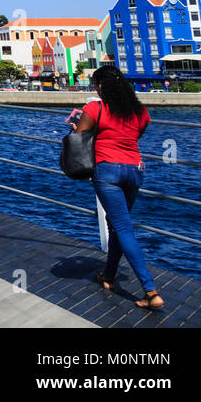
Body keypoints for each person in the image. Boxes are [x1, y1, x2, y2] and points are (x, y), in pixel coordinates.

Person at [72, 65, 161, 310]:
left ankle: (150, 290)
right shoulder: (140, 111)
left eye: (95, 85)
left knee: (122, 227)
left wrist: (74, 126)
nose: (94, 89)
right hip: (134, 170)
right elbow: (134, 137)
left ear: (101, 86)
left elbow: (79, 137)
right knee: (117, 225)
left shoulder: (95, 108)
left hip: (107, 171)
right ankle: (109, 276)